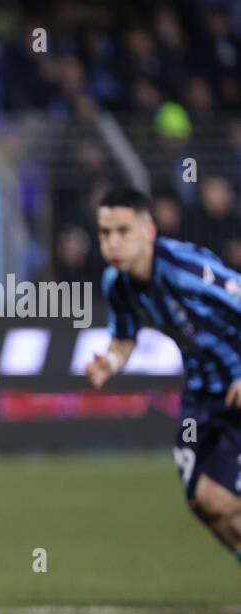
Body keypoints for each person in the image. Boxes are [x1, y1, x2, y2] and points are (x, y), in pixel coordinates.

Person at [86, 186, 241, 561]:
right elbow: (124, 340)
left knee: (217, 496)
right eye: (106, 234)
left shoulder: (188, 271)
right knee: (200, 503)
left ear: (149, 231)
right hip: (202, 394)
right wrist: (110, 362)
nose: (113, 243)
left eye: (123, 231)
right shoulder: (117, 285)